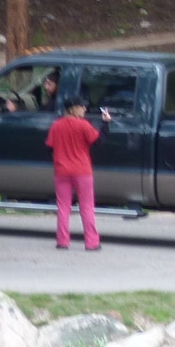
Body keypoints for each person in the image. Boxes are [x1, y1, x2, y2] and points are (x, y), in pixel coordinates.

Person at [46, 94, 111, 251]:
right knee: (87, 207)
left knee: (63, 207)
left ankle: (62, 241)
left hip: (61, 171)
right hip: (82, 171)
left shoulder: (56, 126)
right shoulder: (83, 125)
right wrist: (106, 123)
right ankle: (91, 242)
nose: (84, 109)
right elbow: (99, 141)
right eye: (81, 106)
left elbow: (49, 146)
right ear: (73, 108)